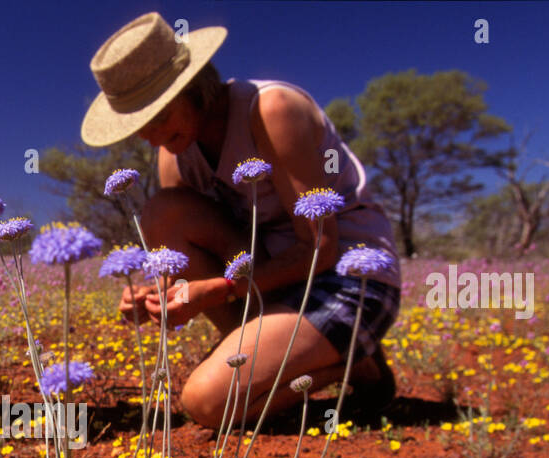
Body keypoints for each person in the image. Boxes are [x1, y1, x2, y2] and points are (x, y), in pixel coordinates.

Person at [80, 13, 401, 430]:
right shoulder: (175, 152)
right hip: (274, 280)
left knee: (208, 404)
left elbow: (320, 249)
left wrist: (222, 290)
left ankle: (353, 363)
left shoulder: (271, 110)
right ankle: (309, 354)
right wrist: (157, 295)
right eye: (139, 125)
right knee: (163, 210)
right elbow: (183, 258)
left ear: (192, 86)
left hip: (349, 275)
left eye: (158, 115)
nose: (151, 135)